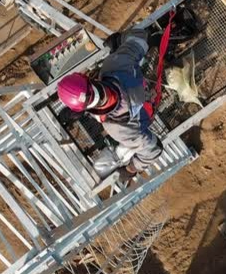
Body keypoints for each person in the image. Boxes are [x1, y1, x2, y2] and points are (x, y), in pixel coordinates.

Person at [57, 28, 163, 180]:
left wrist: (131, 169)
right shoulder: (114, 64)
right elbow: (140, 37)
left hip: (146, 110)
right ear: (87, 78)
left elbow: (154, 149)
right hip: (140, 87)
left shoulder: (117, 128)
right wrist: (118, 41)